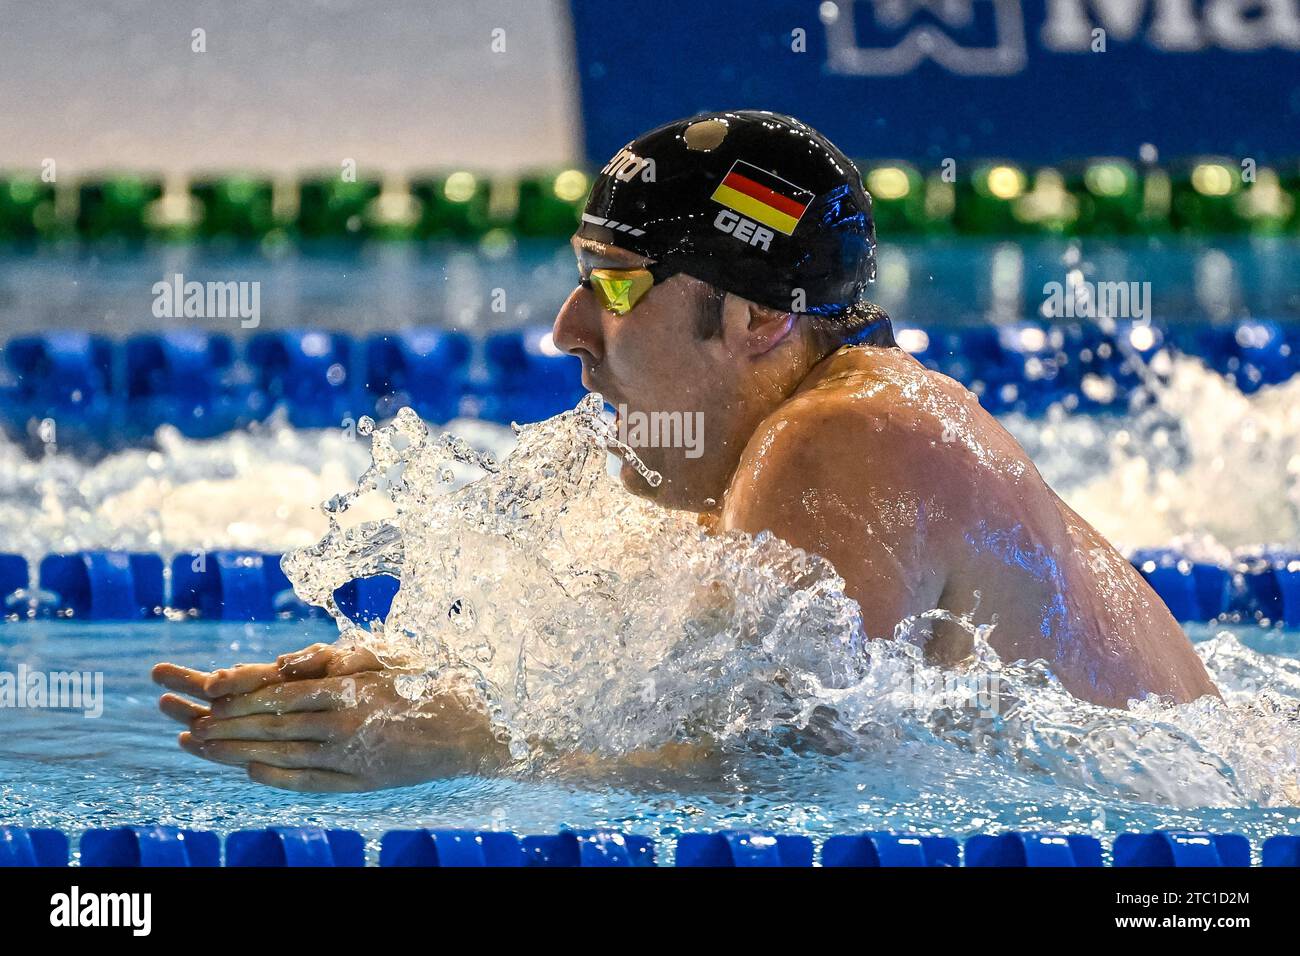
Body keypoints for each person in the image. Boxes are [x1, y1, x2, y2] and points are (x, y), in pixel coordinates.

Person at [154, 110, 1218, 792]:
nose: (567, 328)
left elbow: (801, 769)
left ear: (756, 316)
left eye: (616, 285)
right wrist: (421, 687)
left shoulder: (841, 435)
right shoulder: (790, 439)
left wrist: (461, 742)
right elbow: (703, 702)